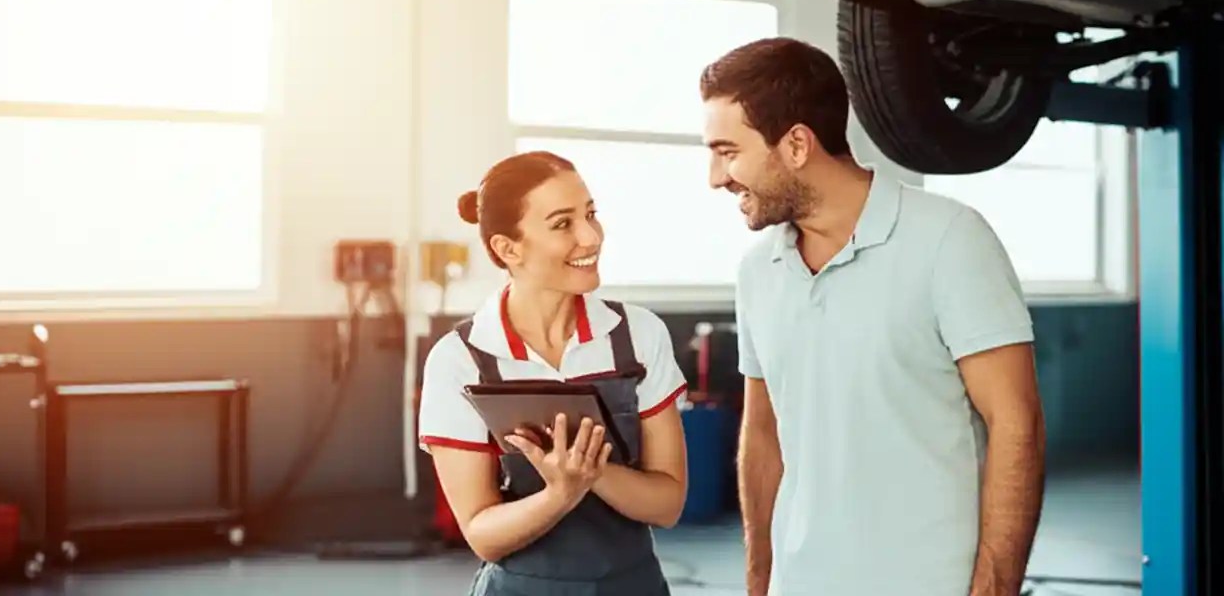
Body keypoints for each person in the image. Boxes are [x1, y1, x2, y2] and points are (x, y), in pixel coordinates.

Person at [699, 37, 1046, 596]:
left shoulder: (950, 240)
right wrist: (759, 581)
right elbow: (762, 436)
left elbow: (1017, 424)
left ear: (795, 144)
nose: (716, 178)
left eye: (727, 151)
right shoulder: (757, 271)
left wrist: (995, 587)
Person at [417, 150, 690, 596]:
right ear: (508, 249)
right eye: (563, 224)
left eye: (591, 214)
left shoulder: (637, 335)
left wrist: (591, 473)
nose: (591, 237)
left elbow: (667, 503)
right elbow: (482, 534)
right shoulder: (460, 360)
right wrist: (559, 493)